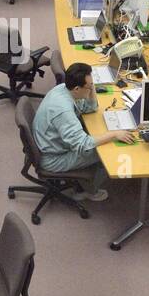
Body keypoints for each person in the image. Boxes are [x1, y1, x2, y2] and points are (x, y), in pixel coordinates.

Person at [33, 62, 131, 202]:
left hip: (52, 144)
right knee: (107, 151)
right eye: (89, 85)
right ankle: (89, 191)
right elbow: (83, 145)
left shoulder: (64, 88)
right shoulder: (63, 111)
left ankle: (86, 184)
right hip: (53, 158)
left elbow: (89, 108)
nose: (92, 87)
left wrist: (91, 89)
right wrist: (114, 134)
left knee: (100, 139)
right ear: (77, 88)